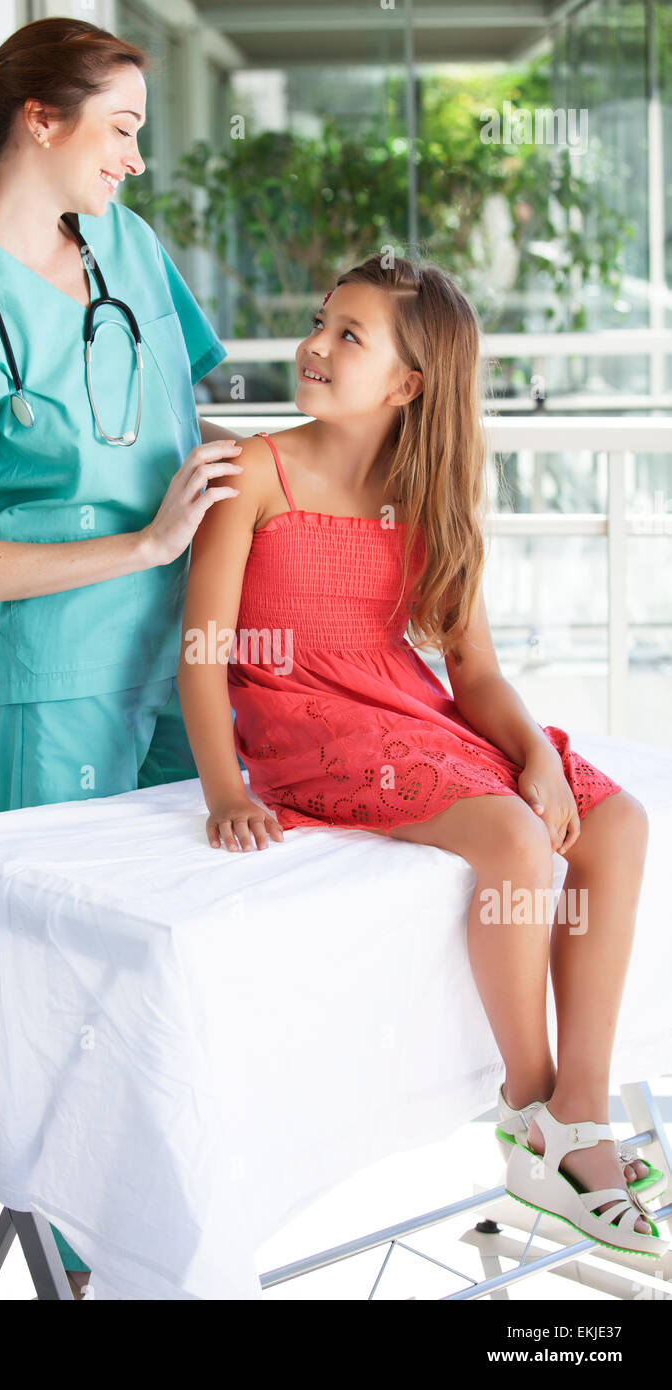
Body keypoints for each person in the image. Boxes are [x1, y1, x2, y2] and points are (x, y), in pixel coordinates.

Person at [176, 253, 668, 1259]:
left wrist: (530, 749)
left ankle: (579, 1108)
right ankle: (530, 1113)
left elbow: (472, 671)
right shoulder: (254, 475)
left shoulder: (424, 494)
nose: (313, 343)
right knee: (514, 841)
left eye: (347, 335)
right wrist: (225, 789)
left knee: (614, 821)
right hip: (304, 724)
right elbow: (201, 653)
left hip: (408, 708)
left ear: (407, 385)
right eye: (321, 320)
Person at [0, 16, 244, 1297]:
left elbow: (195, 417)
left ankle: (188, 1241)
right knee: (85, 999)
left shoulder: (128, 248)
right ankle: (94, 1273)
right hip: (63, 689)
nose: (136, 161)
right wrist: (145, 545)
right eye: (122, 130)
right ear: (42, 120)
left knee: (194, 961)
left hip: (192, 662)